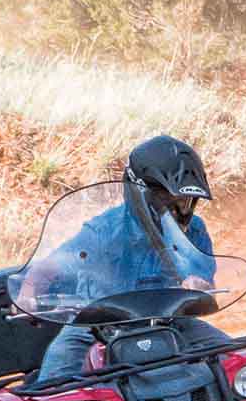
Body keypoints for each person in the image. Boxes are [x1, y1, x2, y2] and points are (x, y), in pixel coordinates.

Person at [25, 135, 227, 381]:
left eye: (185, 202)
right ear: (141, 193)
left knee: (231, 359)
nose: (179, 211)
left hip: (168, 320)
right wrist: (27, 294)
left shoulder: (195, 230)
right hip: (96, 326)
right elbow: (48, 268)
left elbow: (200, 278)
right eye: (168, 200)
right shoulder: (104, 231)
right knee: (54, 383)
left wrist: (199, 287)